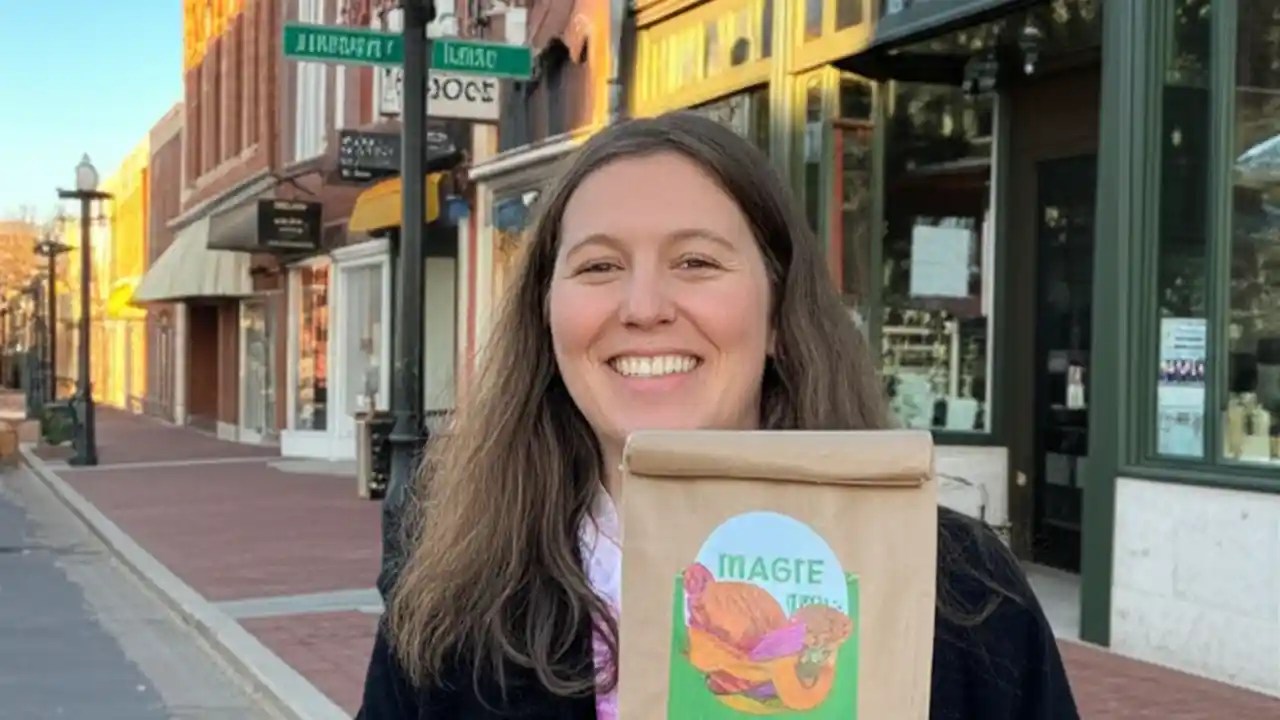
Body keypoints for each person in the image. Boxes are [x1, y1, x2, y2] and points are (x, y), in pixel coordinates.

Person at [357, 111, 1079, 719]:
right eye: (599, 266)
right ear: (546, 317)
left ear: (777, 315)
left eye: (696, 262)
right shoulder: (452, 606)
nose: (643, 308)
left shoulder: (958, 591)